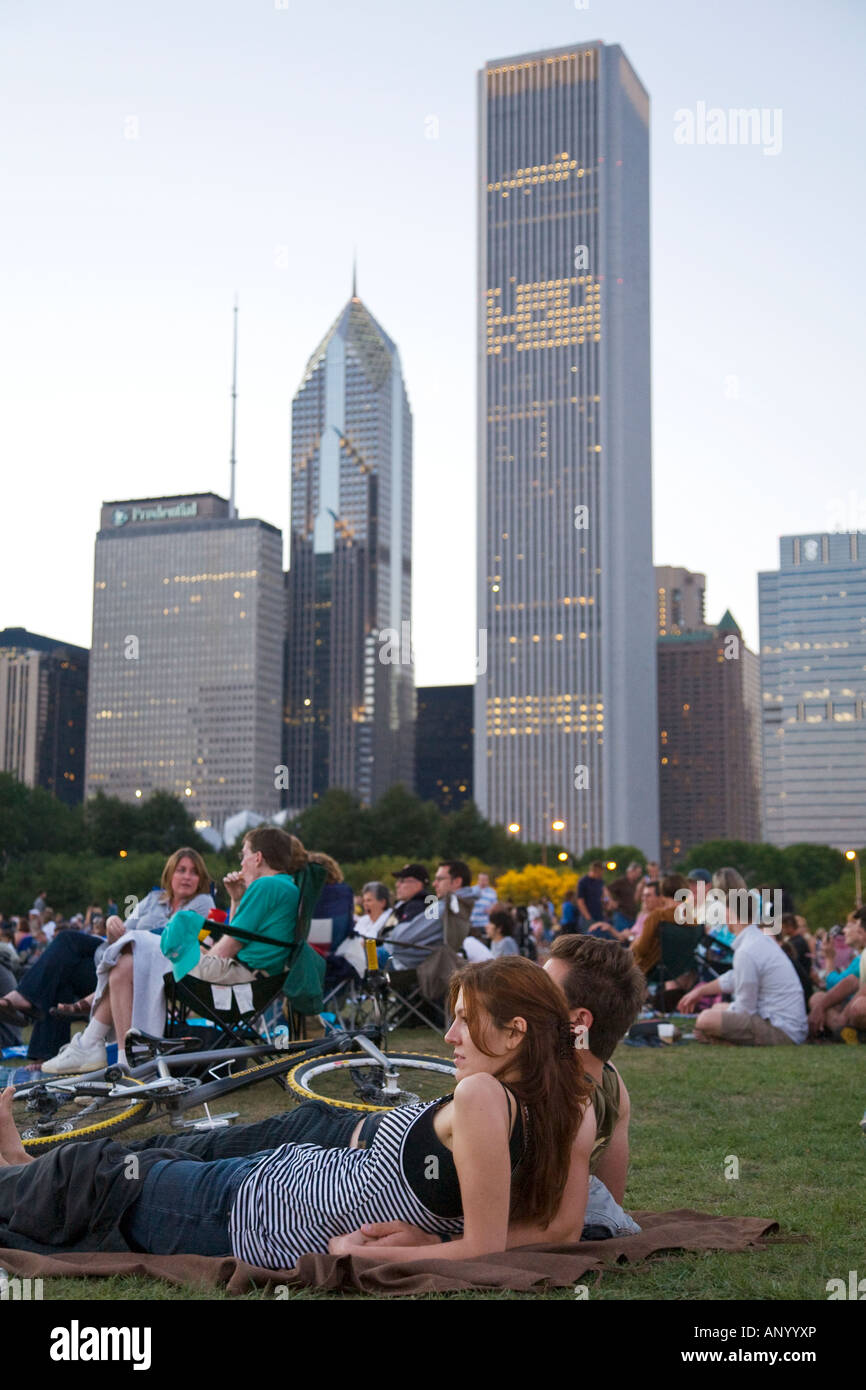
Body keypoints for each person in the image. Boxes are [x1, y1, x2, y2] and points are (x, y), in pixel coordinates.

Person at [0, 959, 597, 1267]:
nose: (450, 1036)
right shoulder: (573, 1109)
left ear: (516, 1033)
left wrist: (362, 1254)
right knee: (130, 1162)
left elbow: (487, 1246)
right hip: (270, 1188)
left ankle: (16, 1172)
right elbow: (555, 1232)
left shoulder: (483, 1097)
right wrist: (429, 1236)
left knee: (94, 1172)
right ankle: (18, 1166)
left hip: (249, 1216)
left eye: (466, 1019)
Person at [33, 850, 214, 1074]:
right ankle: (26, 999)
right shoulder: (152, 900)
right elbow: (123, 933)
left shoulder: (203, 902)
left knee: (123, 965)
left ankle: (95, 1043)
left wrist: (132, 937)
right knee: (66, 940)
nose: (187, 877)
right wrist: (112, 923)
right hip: (120, 955)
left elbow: (177, 938)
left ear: (201, 879)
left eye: (194, 872)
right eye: (181, 870)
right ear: (170, 874)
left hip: (163, 966)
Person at [678, 892, 808, 1045]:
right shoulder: (758, 940)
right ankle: (721, 1038)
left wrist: (717, 1017)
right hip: (785, 1024)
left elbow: (745, 1009)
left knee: (706, 1019)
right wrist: (700, 991)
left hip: (782, 1030)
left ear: (729, 914)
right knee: (717, 1008)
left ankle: (723, 1040)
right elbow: (735, 978)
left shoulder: (747, 950)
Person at [808, 908, 866, 1039]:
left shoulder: (860, 956)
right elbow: (851, 981)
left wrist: (829, 958)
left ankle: (841, 1031)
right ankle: (847, 1033)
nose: (844, 930)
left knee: (860, 1007)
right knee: (818, 999)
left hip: (855, 1005)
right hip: (851, 1003)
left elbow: (839, 983)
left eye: (849, 925)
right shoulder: (862, 956)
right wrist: (821, 1007)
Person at [576, 862, 606, 930]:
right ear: (596, 871)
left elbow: (602, 896)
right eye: (600, 873)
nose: (601, 875)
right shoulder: (583, 882)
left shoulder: (599, 881)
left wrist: (605, 903)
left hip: (599, 915)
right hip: (588, 918)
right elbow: (580, 901)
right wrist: (588, 917)